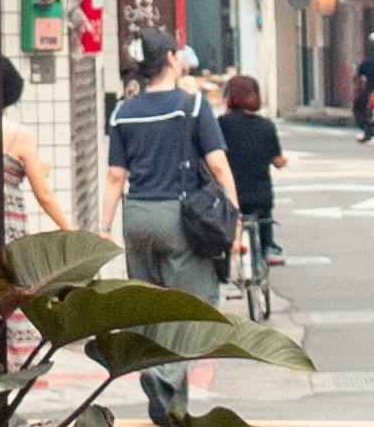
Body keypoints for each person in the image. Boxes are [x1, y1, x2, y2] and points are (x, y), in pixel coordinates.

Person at [98, 41, 221, 284]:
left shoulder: (123, 112)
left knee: (146, 304)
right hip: (180, 215)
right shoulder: (194, 105)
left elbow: (115, 176)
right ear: (171, 58)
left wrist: (104, 227)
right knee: (186, 308)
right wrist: (234, 214)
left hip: (137, 216)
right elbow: (218, 165)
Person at [209, 73, 285, 291]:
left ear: (230, 97)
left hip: (232, 197)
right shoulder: (266, 126)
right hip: (260, 196)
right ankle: (269, 247)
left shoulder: (221, 124)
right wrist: (283, 161)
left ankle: (223, 266)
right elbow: (277, 160)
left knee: (224, 226)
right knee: (264, 216)